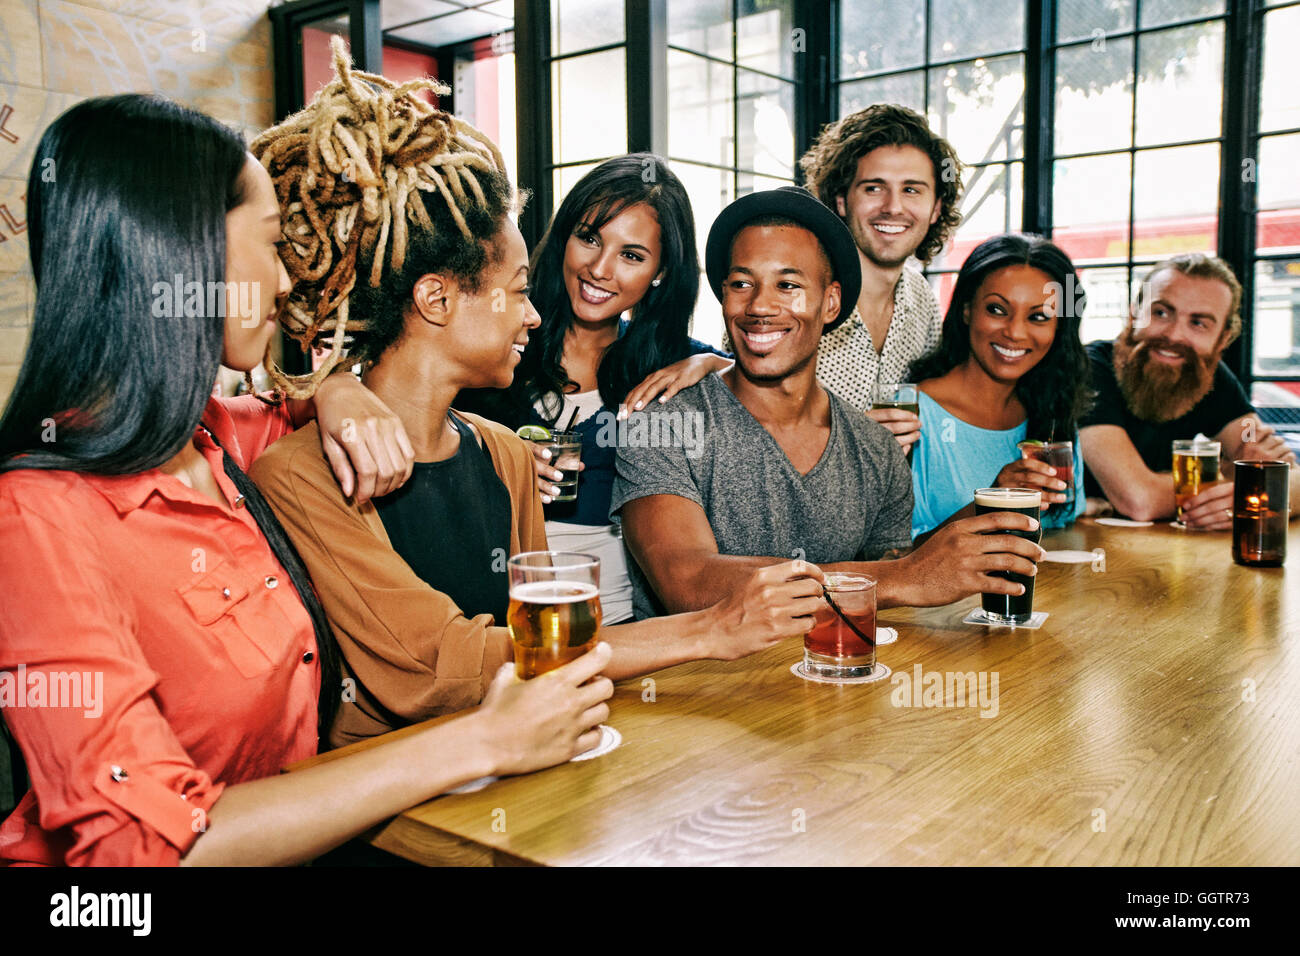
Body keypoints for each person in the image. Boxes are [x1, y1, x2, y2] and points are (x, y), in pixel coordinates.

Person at [0, 92, 616, 867]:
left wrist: (337, 388)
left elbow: (322, 393)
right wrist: (482, 739)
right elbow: (146, 850)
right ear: (185, 256)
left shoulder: (224, 443)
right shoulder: (35, 517)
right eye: (267, 245)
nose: (289, 283)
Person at [248, 41, 823, 748]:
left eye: (635, 256)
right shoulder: (301, 472)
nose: (533, 314)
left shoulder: (503, 456)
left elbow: (543, 653)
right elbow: (435, 666)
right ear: (435, 298)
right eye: (519, 292)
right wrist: (710, 628)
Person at [612, 186, 1045, 620]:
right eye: (742, 284)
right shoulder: (658, 424)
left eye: (788, 285)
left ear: (831, 302)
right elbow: (686, 583)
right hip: (696, 688)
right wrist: (902, 577)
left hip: (841, 680)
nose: (760, 305)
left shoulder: (875, 448)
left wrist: (964, 533)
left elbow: (895, 579)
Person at [457, 155, 730, 623]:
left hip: (624, 626)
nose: (600, 270)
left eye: (631, 255)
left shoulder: (673, 363)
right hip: (497, 623)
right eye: (588, 238)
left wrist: (713, 364)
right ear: (565, 236)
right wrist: (498, 458)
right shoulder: (497, 341)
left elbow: (763, 380)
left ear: (661, 271)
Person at [1080, 253, 1300, 527]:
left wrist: (1264, 490)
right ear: (1134, 313)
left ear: (1223, 339)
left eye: (1198, 323)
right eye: (1160, 312)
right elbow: (1139, 499)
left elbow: (1282, 470)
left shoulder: (1209, 376)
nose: (1173, 335)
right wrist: (1233, 479)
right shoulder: (1088, 370)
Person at [798, 103, 964, 453]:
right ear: (841, 200)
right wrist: (845, 440)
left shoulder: (922, 300)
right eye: (874, 188)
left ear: (936, 209)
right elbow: (744, 422)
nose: (893, 207)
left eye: (912, 190)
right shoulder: (794, 293)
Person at [908, 234, 1090, 538]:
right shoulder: (913, 417)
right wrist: (993, 501)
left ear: (1059, 329)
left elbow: (1063, 524)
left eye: (1039, 317)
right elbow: (894, 557)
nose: (1015, 332)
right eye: (996, 309)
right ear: (966, 310)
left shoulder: (1053, 410)